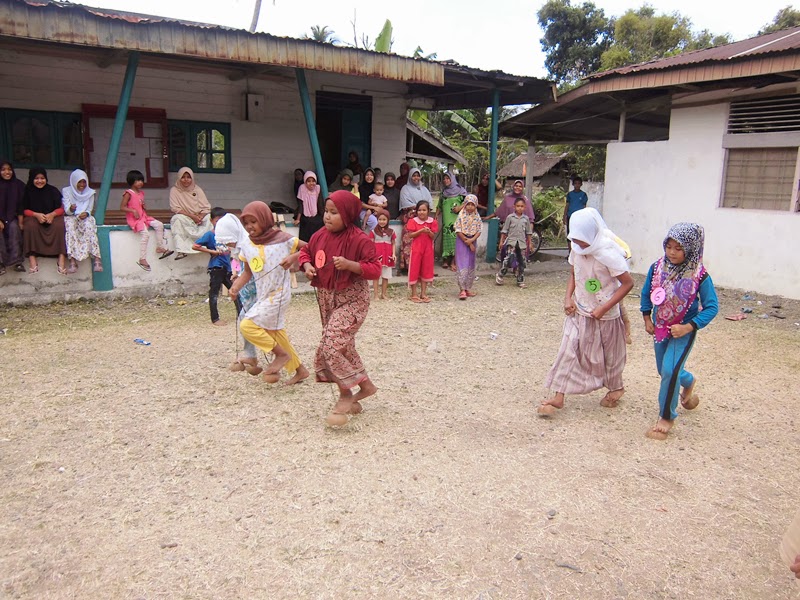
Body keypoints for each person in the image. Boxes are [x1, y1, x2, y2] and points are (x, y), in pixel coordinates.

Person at [539, 208, 633, 417]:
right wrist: (568, 298)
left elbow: (627, 284)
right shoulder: (576, 249)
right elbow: (574, 273)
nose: (579, 244)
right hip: (580, 311)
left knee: (611, 355)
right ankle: (559, 394)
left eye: (582, 240)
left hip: (605, 315)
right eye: (575, 239)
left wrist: (604, 307)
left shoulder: (608, 253)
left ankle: (616, 387)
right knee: (567, 348)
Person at [298, 190, 382, 425]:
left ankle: (345, 393)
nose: (328, 217)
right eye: (327, 211)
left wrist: (350, 265)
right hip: (327, 298)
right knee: (343, 347)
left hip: (352, 300)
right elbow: (306, 252)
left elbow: (374, 269)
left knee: (331, 346)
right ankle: (365, 386)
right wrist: (306, 266)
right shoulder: (319, 236)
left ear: (347, 214)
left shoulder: (359, 239)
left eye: (334, 213)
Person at [640, 223, 718, 441]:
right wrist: (647, 318)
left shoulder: (699, 276)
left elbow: (712, 307)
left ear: (690, 249)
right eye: (669, 246)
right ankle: (689, 381)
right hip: (661, 329)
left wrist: (688, 326)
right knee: (664, 370)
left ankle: (666, 417)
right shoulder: (657, 268)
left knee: (670, 371)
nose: (672, 253)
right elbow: (646, 293)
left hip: (683, 332)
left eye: (678, 248)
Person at [229, 201, 309, 385]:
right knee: (275, 334)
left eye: (253, 222)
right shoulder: (247, 244)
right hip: (264, 295)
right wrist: (235, 288)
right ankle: (300, 370)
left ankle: (280, 355)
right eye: (246, 223)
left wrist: (294, 257)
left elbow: (310, 247)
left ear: (265, 220)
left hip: (279, 294)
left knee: (247, 325)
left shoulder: (284, 239)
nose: (249, 227)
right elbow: (247, 272)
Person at [215, 212, 261, 375]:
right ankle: (251, 355)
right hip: (247, 294)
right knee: (244, 322)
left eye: (228, 239)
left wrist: (237, 285)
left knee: (264, 327)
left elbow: (253, 271)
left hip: (259, 293)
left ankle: (284, 357)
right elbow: (244, 269)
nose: (227, 244)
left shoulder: (250, 246)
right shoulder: (239, 249)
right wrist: (237, 276)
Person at [192, 207, 240, 326]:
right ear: (211, 220)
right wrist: (212, 252)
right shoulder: (209, 235)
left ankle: (241, 315)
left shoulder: (228, 236)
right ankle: (215, 319)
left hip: (227, 267)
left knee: (235, 291)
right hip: (216, 267)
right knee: (214, 293)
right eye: (217, 220)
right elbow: (195, 246)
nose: (219, 224)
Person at [121, 170, 170, 272]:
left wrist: (142, 207)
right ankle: (142, 258)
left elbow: (140, 205)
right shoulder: (128, 193)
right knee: (145, 235)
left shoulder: (141, 193)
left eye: (141, 180)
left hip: (143, 217)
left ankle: (160, 247)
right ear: (131, 181)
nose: (140, 183)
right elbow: (122, 207)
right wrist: (132, 210)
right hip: (135, 220)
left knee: (159, 225)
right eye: (137, 181)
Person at [21, 167, 67, 275]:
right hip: (35, 218)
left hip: (52, 218)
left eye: (42, 178)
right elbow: (23, 209)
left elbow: (61, 208)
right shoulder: (27, 191)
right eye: (36, 178)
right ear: (32, 179)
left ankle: (61, 257)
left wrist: (52, 214)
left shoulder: (53, 190)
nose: (40, 181)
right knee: (30, 225)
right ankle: (32, 259)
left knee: (60, 225)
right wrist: (35, 215)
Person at [62, 169, 102, 274]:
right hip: (71, 217)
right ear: (74, 181)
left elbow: (89, 209)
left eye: (84, 181)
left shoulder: (90, 192)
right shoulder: (66, 191)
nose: (82, 184)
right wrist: (71, 209)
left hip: (84, 217)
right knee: (70, 229)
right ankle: (72, 261)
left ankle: (97, 260)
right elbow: (67, 210)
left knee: (90, 226)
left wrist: (87, 214)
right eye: (79, 182)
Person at [169, 167, 212, 259]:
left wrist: (200, 216)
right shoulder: (174, 190)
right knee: (176, 218)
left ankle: (206, 246)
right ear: (179, 178)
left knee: (210, 218)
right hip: (186, 217)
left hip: (199, 217)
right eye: (183, 177)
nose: (186, 180)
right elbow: (175, 208)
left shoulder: (197, 190)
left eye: (188, 177)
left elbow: (206, 207)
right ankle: (182, 250)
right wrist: (192, 216)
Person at [398, 167, 432, 274]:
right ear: (410, 176)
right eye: (414, 175)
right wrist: (419, 208)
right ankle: (409, 267)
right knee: (409, 242)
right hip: (410, 219)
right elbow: (405, 203)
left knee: (422, 243)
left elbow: (429, 203)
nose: (416, 178)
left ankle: (422, 268)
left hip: (423, 219)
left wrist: (421, 209)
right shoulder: (405, 188)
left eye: (418, 175)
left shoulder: (424, 189)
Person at [496, 198, 532, 289]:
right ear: (514, 207)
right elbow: (504, 230)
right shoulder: (510, 217)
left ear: (525, 207)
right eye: (518, 206)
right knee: (509, 259)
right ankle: (500, 274)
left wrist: (530, 243)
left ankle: (520, 279)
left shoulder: (526, 219)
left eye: (522, 206)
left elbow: (528, 232)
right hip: (511, 242)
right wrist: (501, 241)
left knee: (522, 262)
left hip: (522, 243)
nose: (520, 208)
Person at [407, 200, 437, 303]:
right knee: (414, 269)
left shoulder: (432, 222)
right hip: (416, 249)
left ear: (428, 211)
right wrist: (421, 231)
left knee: (426, 269)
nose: (421, 212)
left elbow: (433, 236)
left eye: (424, 210)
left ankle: (423, 293)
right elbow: (410, 235)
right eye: (419, 210)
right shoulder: (413, 221)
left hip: (428, 249)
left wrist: (428, 232)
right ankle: (414, 293)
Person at [437, 170, 467, 271]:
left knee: (456, 239)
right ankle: (445, 260)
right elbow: (439, 205)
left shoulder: (460, 191)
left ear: (452, 179)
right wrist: (436, 215)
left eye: (448, 178)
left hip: (457, 220)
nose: (446, 180)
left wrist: (459, 208)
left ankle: (454, 261)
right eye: (444, 179)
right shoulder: (444, 192)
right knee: (446, 239)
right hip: (446, 221)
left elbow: (468, 202)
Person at [454, 194, 482, 300]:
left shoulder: (477, 216)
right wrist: (469, 242)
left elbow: (479, 230)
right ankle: (461, 289)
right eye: (468, 204)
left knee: (470, 264)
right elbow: (458, 230)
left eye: (472, 205)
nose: (470, 207)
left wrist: (472, 240)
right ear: (464, 205)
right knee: (462, 264)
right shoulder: (461, 215)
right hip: (462, 241)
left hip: (472, 241)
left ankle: (467, 288)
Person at [0, 160, 25, 274]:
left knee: (14, 228)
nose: (7, 172)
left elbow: (21, 204)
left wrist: (20, 221)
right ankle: (1, 264)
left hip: (12, 217)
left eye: (9, 169)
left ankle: (17, 262)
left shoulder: (18, 185)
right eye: (3, 170)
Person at [370, 211, 396, 300]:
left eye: (384, 219)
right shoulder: (373, 232)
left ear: (388, 220)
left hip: (387, 257)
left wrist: (394, 254)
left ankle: (384, 294)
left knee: (386, 276)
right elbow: (371, 245)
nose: (382, 221)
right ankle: (376, 295)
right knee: (376, 276)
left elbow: (393, 243)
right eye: (380, 219)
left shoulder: (391, 232)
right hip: (377, 257)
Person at [293, 171, 324, 242]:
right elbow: (301, 205)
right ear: (305, 181)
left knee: (319, 223)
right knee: (306, 224)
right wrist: (298, 219)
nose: (311, 183)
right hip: (305, 214)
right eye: (309, 181)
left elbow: (320, 204)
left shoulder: (317, 188)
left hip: (316, 214)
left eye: (313, 181)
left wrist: (324, 217)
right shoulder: (302, 188)